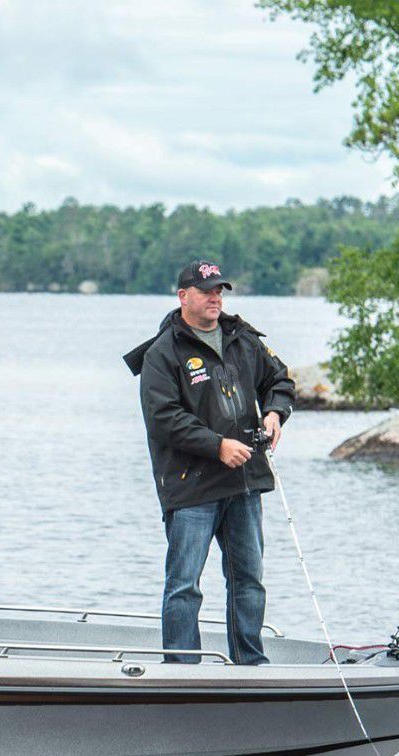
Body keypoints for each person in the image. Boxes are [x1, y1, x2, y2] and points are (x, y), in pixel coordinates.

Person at [122, 259, 296, 666]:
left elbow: (281, 380)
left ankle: (250, 663)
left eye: (220, 290)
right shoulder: (162, 353)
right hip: (191, 487)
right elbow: (163, 418)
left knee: (248, 580)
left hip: (245, 482)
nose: (216, 297)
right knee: (184, 585)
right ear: (184, 297)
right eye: (207, 291)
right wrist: (217, 445)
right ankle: (182, 668)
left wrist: (274, 413)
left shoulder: (243, 339)